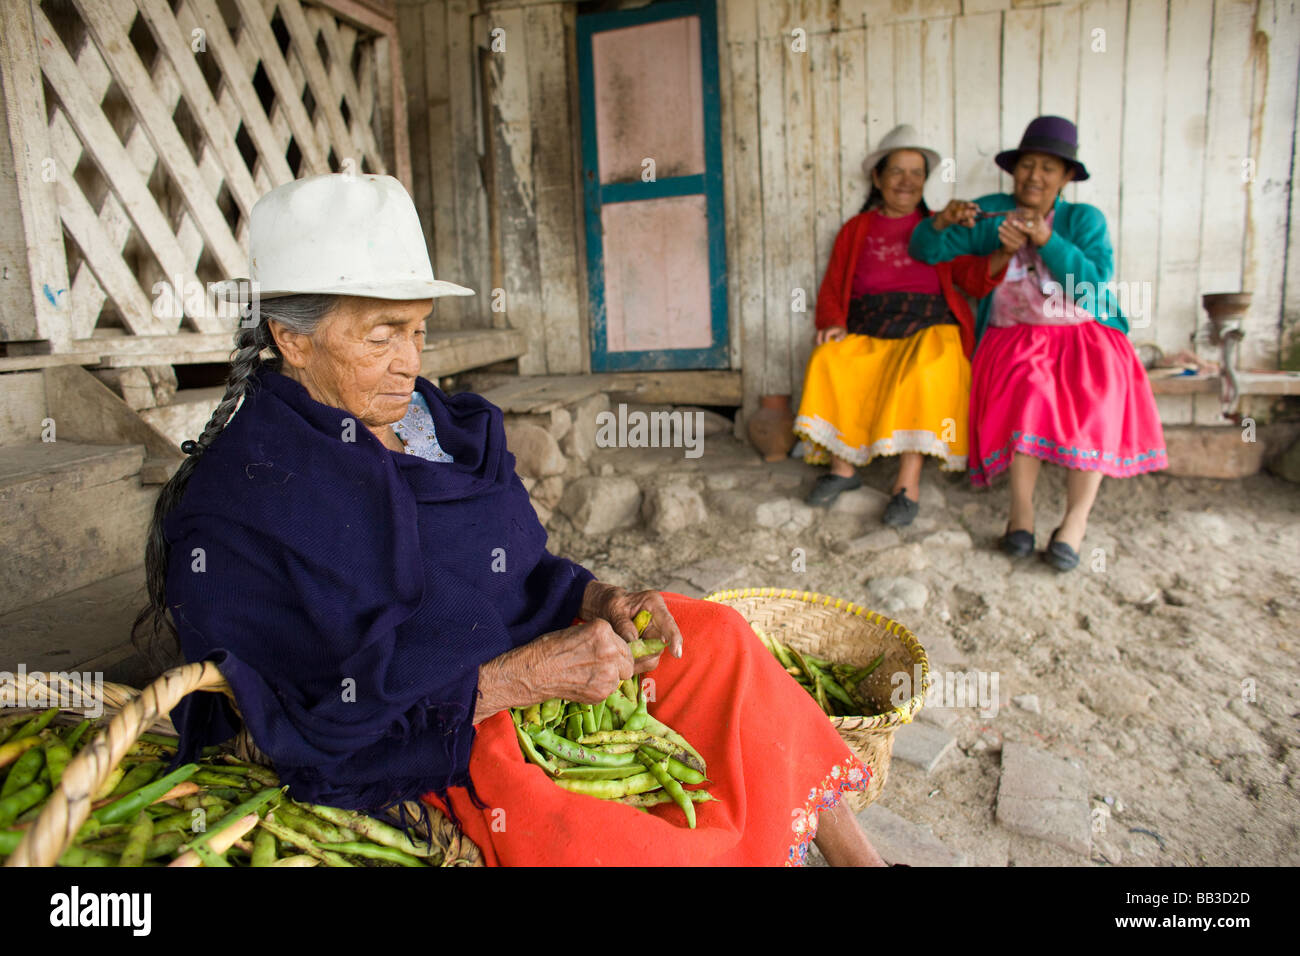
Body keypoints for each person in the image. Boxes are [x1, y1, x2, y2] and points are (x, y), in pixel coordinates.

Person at [133, 173, 887, 866]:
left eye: (419, 329)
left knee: (716, 638)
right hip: (445, 732)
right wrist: (512, 683)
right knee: (613, 840)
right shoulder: (247, 499)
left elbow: (520, 571)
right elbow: (303, 719)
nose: (410, 361)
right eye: (381, 334)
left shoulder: (439, 424)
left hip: (546, 666)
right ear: (289, 339)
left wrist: (598, 602)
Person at [908, 116, 1168, 570]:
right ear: (1014, 170)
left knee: (1099, 396)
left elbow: (1091, 287)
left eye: (1049, 168)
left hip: (1085, 333)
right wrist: (940, 222)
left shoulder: (1083, 220)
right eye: (1028, 165)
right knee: (1027, 390)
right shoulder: (990, 211)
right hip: (1016, 334)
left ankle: (1075, 522)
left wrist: (1047, 241)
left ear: (1067, 177)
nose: (1035, 176)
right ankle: (1020, 512)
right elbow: (926, 252)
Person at [797, 125, 1004, 524]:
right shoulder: (856, 230)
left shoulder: (939, 227)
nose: (906, 182)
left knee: (930, 369)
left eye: (916, 173)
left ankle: (907, 485)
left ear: (925, 181)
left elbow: (974, 280)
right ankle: (843, 470)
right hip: (870, 324)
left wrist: (1005, 253)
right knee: (831, 360)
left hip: (928, 323)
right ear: (877, 178)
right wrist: (832, 322)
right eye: (896, 172)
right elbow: (833, 285)